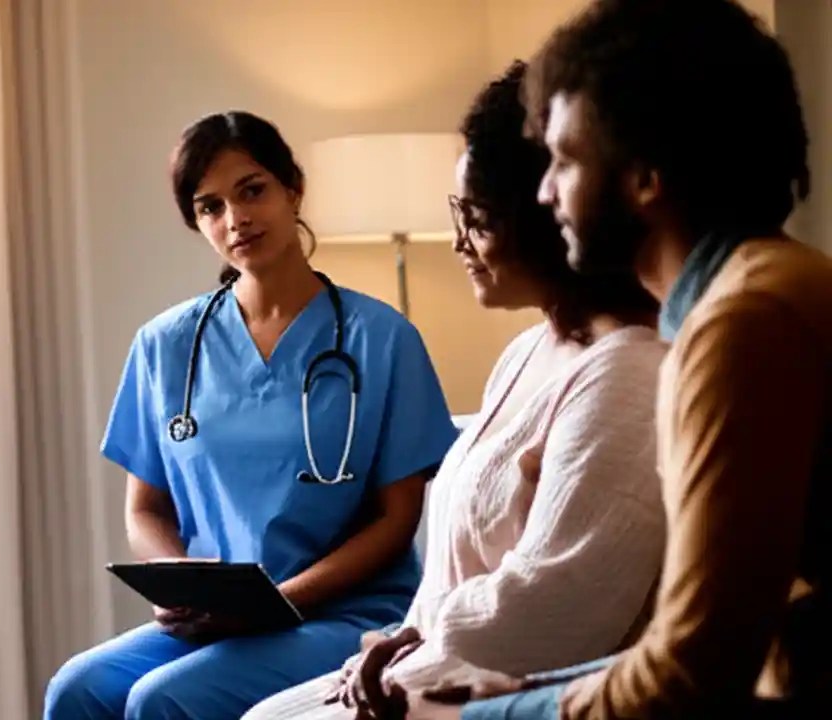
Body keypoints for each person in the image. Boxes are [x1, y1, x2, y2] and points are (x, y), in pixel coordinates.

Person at [411, 1, 831, 718]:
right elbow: (730, 634)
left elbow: (699, 671)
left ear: (647, 175)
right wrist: (530, 690)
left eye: (566, 161)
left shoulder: (739, 327)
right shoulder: (765, 287)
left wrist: (471, 715)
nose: (545, 194)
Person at [241, 59, 667, 720]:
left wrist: (419, 636)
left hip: (501, 686)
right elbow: (449, 567)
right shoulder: (527, 352)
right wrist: (393, 643)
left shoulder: (629, 378)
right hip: (429, 657)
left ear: (548, 219)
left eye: (478, 218)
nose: (459, 241)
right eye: (457, 212)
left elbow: (558, 609)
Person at [43, 110, 459, 720]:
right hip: (217, 620)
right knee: (76, 689)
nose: (235, 219)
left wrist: (276, 602)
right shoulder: (166, 346)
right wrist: (179, 582)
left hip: (343, 613)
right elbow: (146, 507)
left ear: (293, 188)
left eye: (252, 190)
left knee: (165, 699)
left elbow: (398, 520)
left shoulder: (382, 339)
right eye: (210, 206)